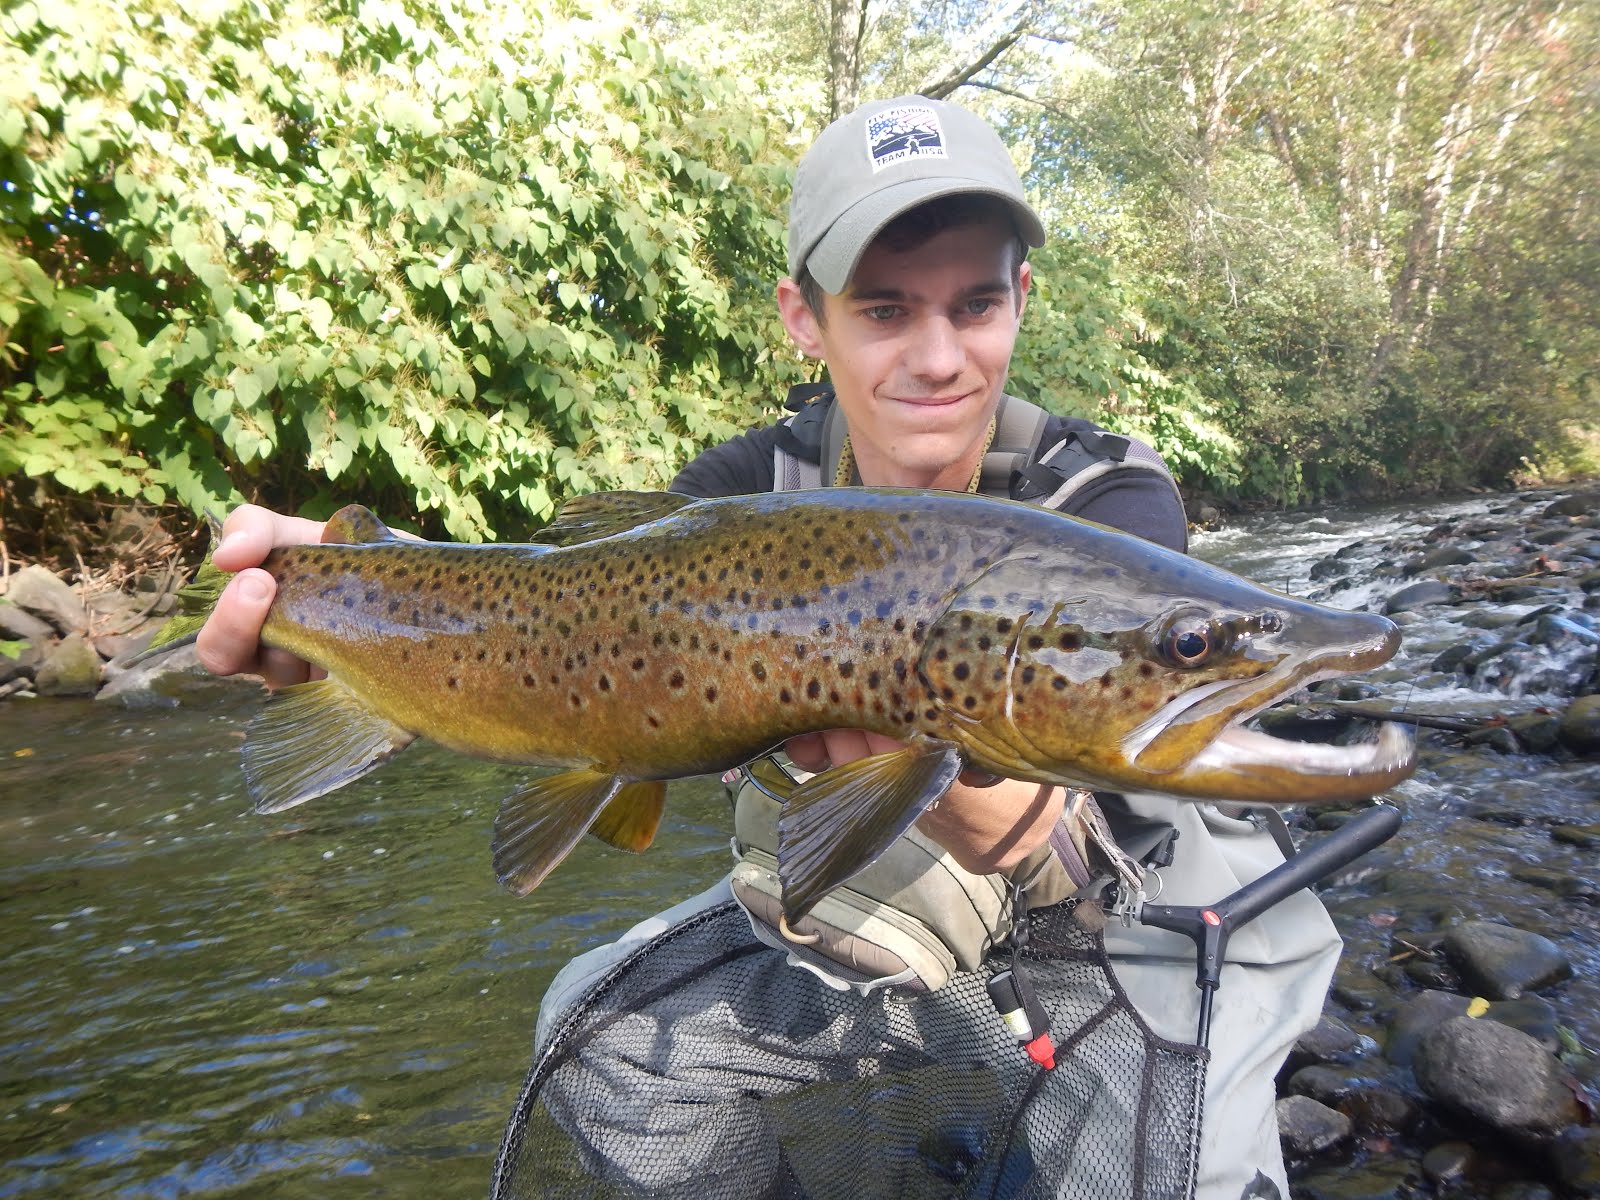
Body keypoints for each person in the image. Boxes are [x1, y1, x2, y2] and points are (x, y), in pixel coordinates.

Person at [196, 96, 1341, 1200]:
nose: (938, 357)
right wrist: (345, 587)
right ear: (806, 316)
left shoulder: (1106, 502)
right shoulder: (741, 495)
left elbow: (1081, 808)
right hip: (874, 865)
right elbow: (534, 601)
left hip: (1116, 882)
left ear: (1020, 300)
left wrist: (1007, 818)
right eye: (886, 310)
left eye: (974, 306)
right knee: (599, 1040)